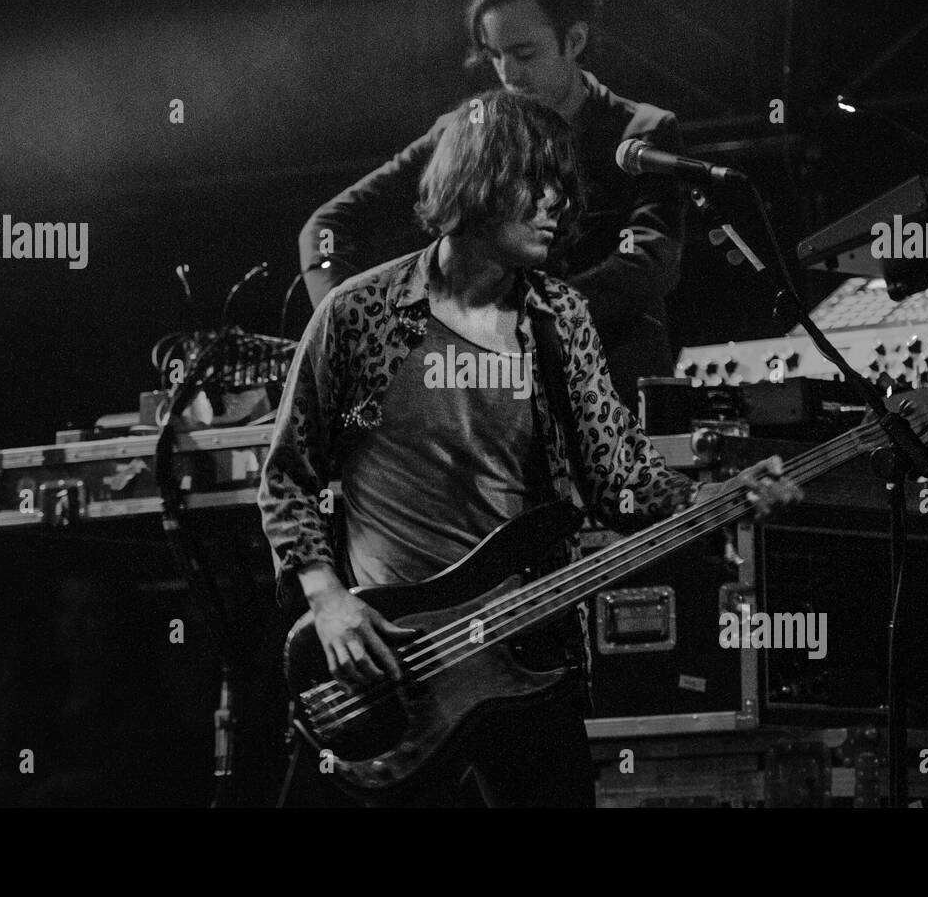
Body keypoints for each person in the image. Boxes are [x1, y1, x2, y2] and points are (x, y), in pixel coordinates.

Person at [260, 90, 801, 807]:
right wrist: (328, 601)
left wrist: (717, 500)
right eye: (536, 181)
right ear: (477, 180)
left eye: (563, 186)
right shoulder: (360, 314)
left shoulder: (558, 316)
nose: (557, 204)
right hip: (394, 667)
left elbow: (621, 480)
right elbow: (288, 477)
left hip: (527, 656)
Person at [299, 0, 686, 411]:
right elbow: (328, 227)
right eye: (496, 55)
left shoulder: (640, 132)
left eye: (524, 53)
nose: (509, 74)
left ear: (575, 39)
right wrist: (347, 323)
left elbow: (648, 262)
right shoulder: (461, 135)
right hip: (499, 412)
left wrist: (522, 322)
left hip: (613, 397)